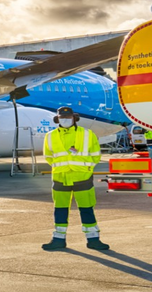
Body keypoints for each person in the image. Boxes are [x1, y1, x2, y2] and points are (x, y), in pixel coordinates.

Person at [41, 106, 108, 251]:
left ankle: (93, 240)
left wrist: (86, 168)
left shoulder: (87, 134)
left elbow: (96, 155)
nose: (65, 120)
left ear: (74, 118)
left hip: (81, 176)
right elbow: (48, 156)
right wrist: (61, 167)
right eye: (62, 118)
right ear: (57, 119)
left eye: (68, 118)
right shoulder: (50, 136)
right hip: (60, 177)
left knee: (86, 208)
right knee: (60, 209)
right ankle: (58, 240)